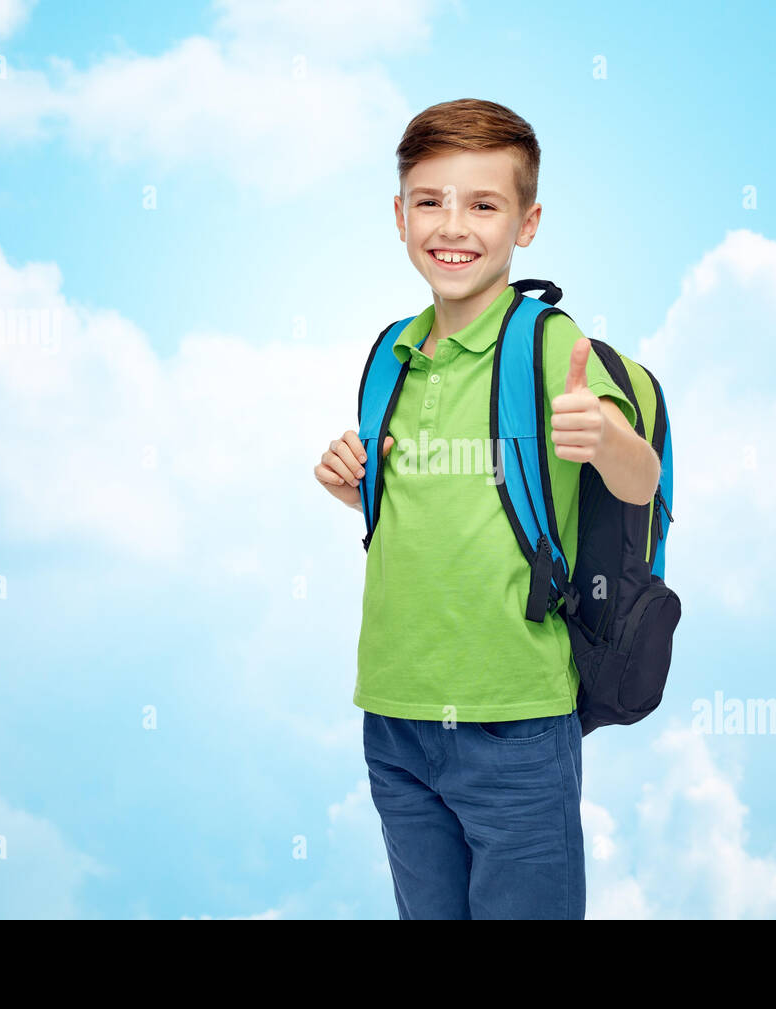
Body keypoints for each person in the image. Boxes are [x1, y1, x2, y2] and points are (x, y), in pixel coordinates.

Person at [313, 98, 661, 919]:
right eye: (430, 201)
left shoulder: (548, 345)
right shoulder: (391, 351)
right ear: (399, 216)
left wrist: (603, 437)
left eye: (483, 203)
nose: (452, 225)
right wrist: (350, 485)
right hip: (393, 713)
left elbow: (640, 478)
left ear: (527, 222)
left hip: (515, 720)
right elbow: (428, 508)